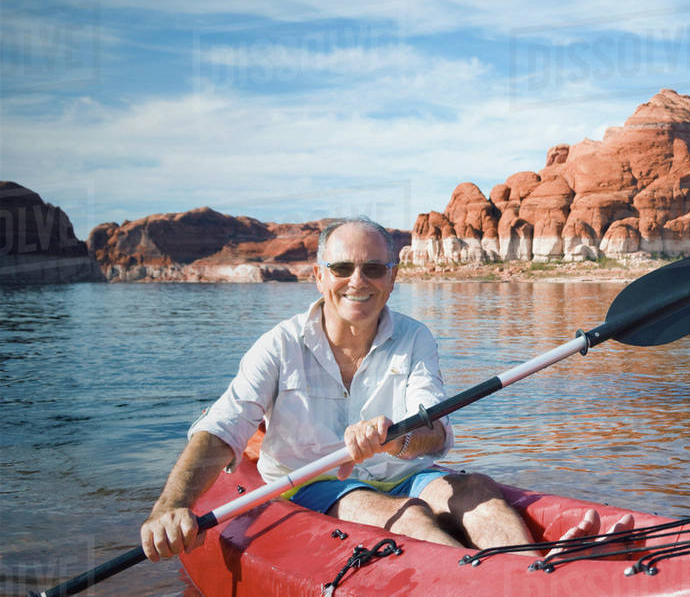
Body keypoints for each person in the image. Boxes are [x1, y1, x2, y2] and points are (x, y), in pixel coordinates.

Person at [140, 217, 629, 561]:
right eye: (342, 268)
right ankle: (491, 584)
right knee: (409, 516)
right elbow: (223, 428)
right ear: (319, 277)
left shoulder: (415, 338)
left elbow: (433, 430)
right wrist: (170, 507)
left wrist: (398, 438)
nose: (358, 281)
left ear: (392, 278)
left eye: (374, 269)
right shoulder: (280, 345)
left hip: (403, 473)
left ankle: (530, 568)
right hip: (310, 483)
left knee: (478, 488)